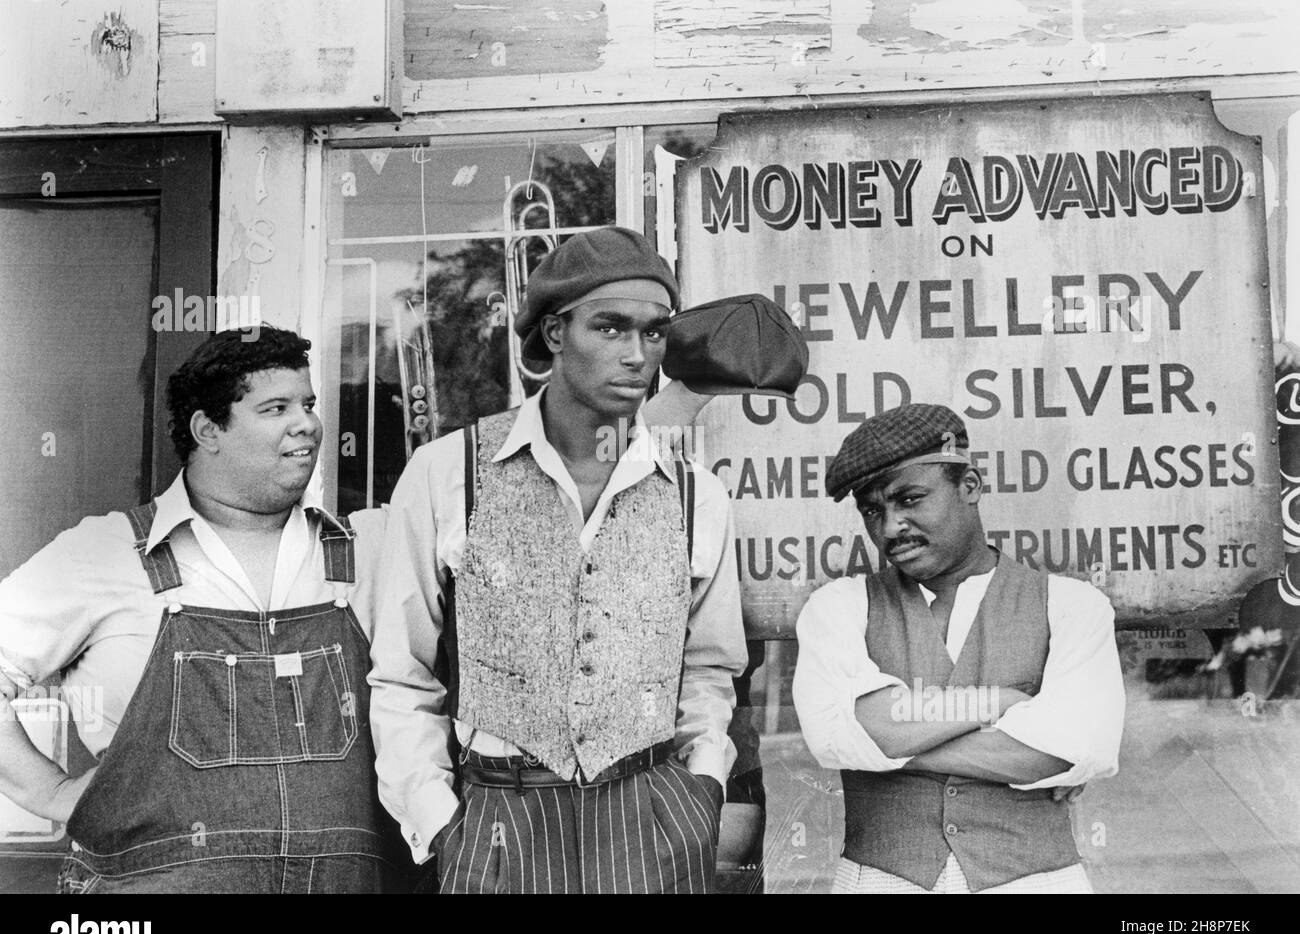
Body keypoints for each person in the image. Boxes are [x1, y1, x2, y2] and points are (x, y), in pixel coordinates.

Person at [368, 227, 749, 893]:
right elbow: (403, 675)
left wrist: (700, 794)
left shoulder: (697, 495)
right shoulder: (446, 474)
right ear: (553, 333)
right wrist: (441, 824)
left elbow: (710, 671)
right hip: (498, 820)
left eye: (655, 333)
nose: (636, 355)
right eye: (610, 327)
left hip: (652, 819)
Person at [0, 327, 395, 893]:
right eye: (275, 407)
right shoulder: (106, 553)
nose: (306, 422)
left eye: (308, 404)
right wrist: (52, 794)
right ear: (208, 429)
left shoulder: (365, 556)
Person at [793, 403, 1125, 894]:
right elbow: (832, 736)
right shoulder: (839, 606)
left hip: (1034, 881)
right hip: (882, 880)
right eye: (873, 510)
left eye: (910, 499)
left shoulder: (1072, 605)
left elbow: (1069, 749)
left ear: (969, 486)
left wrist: (881, 745)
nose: (890, 527)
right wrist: (1000, 704)